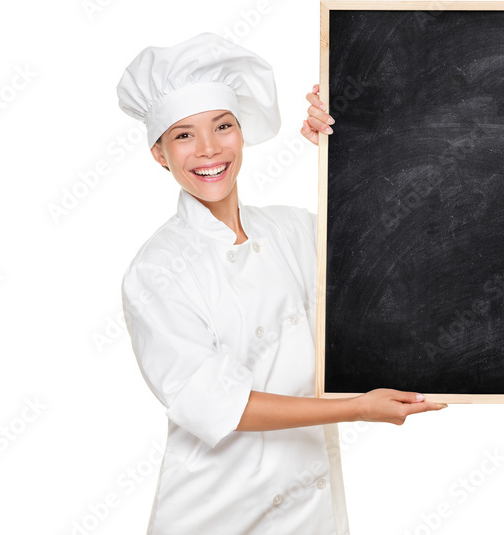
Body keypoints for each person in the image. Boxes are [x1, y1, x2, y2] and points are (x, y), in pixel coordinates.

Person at [116, 32, 447, 535]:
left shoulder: (293, 229)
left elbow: (393, 249)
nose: (209, 149)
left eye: (222, 126)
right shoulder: (156, 271)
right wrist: (356, 408)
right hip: (213, 513)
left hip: (310, 512)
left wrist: (355, 143)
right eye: (183, 135)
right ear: (160, 153)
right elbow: (222, 406)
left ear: (241, 132)